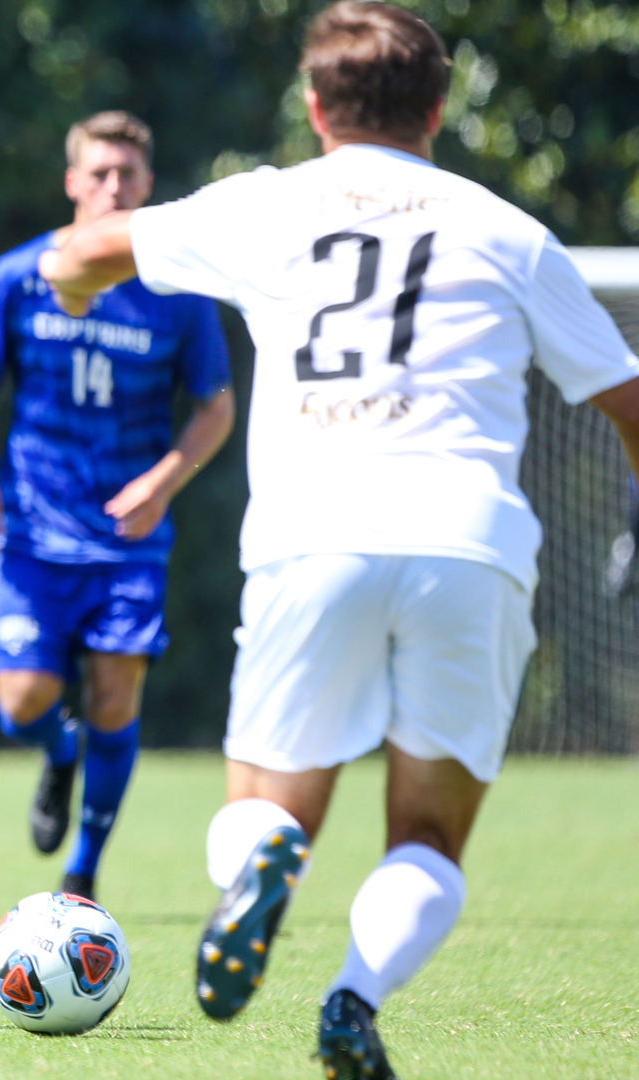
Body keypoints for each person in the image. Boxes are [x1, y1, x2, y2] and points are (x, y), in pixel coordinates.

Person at [39, 4, 639, 1076]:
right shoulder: (509, 231)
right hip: (471, 542)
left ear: (314, 107)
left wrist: (73, 278)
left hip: (313, 538)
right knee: (428, 839)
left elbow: (83, 254)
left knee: (263, 811)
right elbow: (628, 405)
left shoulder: (267, 207)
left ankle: (267, 859)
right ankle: (354, 1002)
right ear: (439, 110)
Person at [0, 111, 233, 902]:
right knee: (22, 701)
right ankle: (59, 753)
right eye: (100, 173)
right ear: (73, 181)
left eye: (129, 176)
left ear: (149, 186)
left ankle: (83, 872)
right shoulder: (20, 273)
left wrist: (164, 480)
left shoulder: (177, 292)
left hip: (127, 538)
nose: (115, 187)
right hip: (33, 531)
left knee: (116, 694)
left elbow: (216, 404)